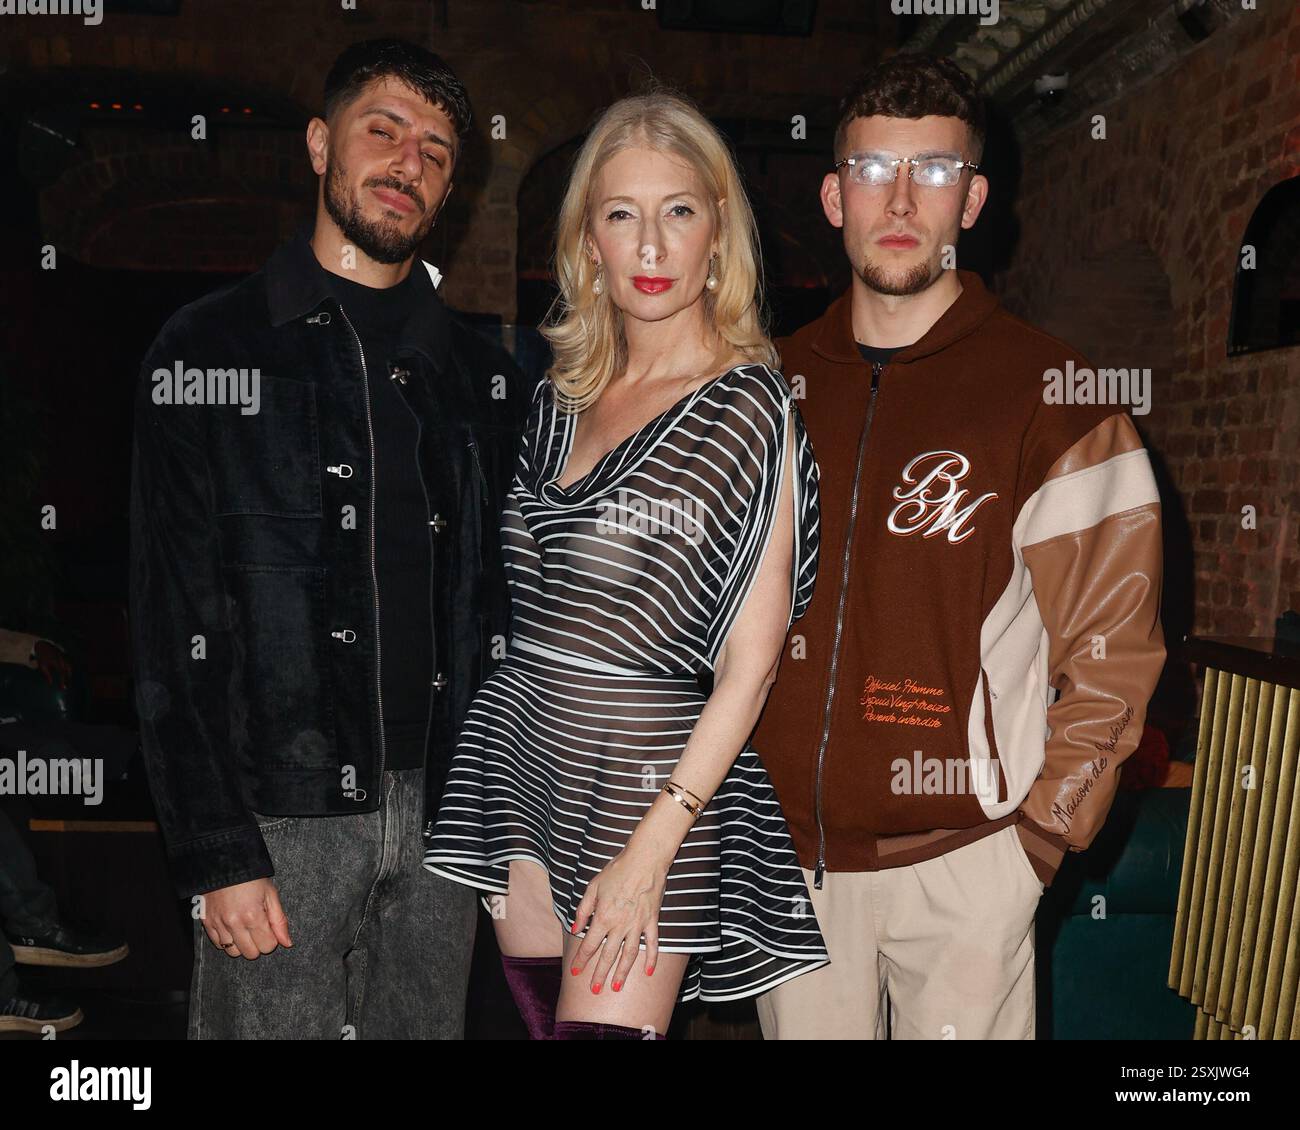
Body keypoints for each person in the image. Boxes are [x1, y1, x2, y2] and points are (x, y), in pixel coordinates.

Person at [752, 54, 1166, 1040]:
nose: (900, 198)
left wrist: (1037, 841)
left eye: (933, 172)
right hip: (789, 863)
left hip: (968, 863)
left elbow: (1111, 651)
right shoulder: (758, 384)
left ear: (972, 199)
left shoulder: (1056, 393)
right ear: (832, 195)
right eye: (871, 170)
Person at [130, 39, 531, 1039]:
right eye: (383, 131)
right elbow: (167, 613)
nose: (408, 163)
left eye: (437, 151)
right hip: (279, 809)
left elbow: (500, 605)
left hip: (444, 812)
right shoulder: (208, 347)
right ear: (320, 144)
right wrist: (218, 847)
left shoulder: (478, 375)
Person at [423, 89, 829, 1040]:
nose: (650, 246)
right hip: (519, 763)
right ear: (587, 245)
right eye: (621, 214)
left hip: (650, 792)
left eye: (678, 211)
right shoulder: (560, 398)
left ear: (718, 233)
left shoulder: (751, 410)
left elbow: (752, 663)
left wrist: (654, 847)